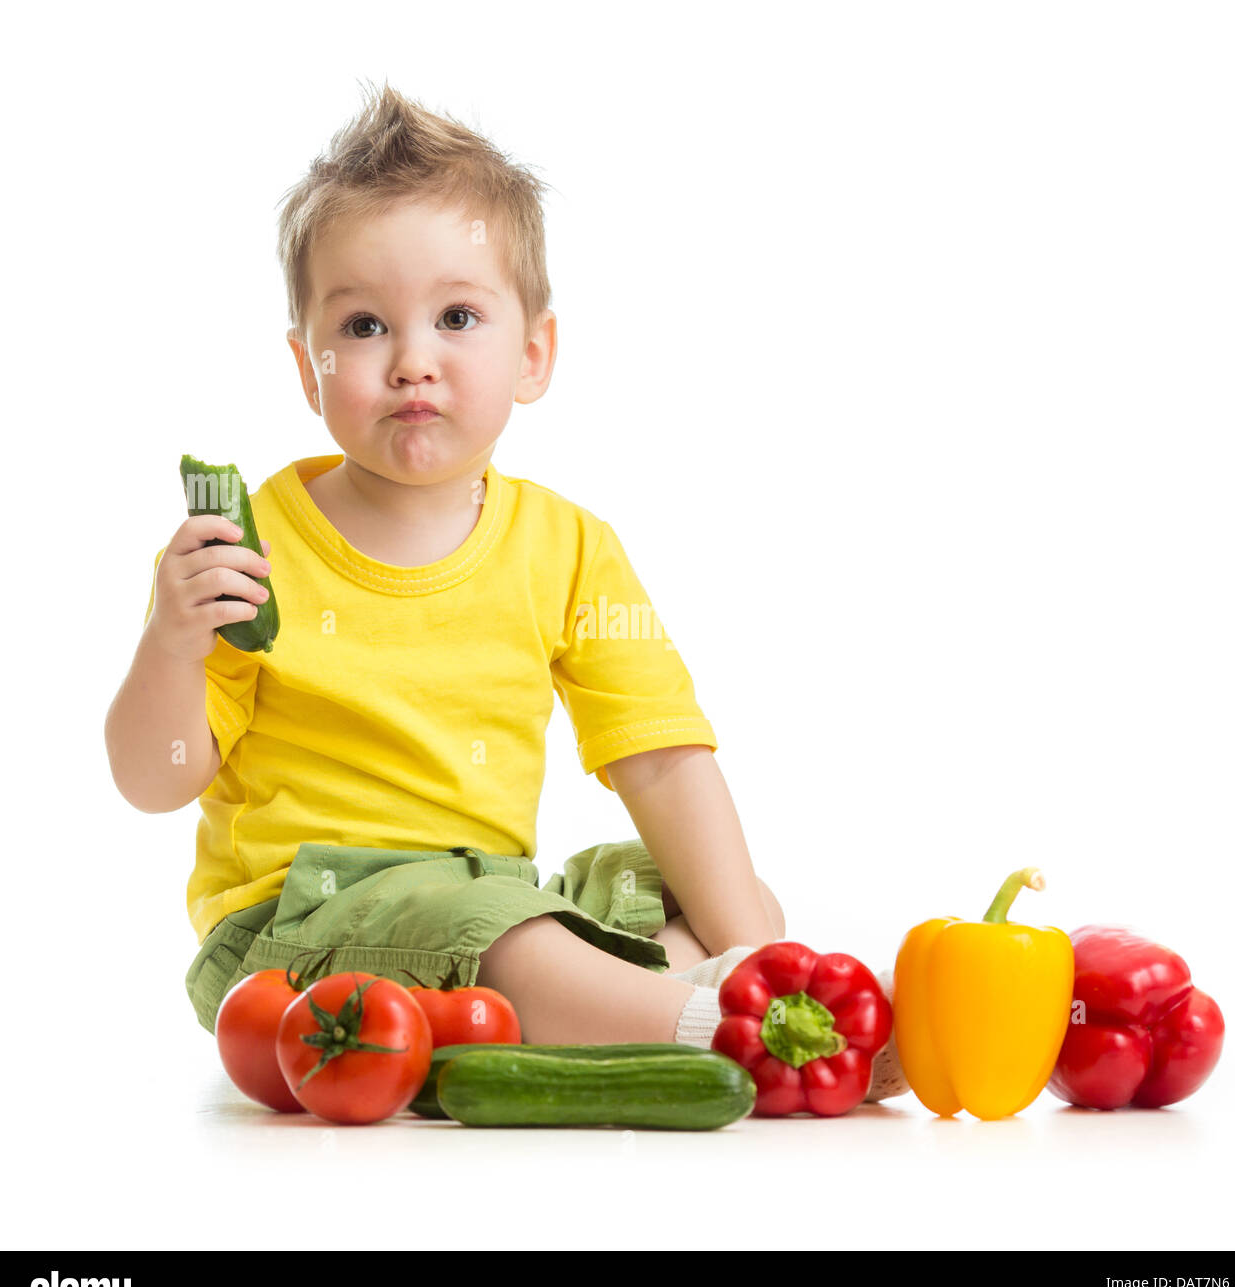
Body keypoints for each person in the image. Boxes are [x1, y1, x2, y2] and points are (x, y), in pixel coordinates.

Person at [104, 79, 906, 1098]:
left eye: (455, 317)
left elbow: (662, 762)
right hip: (294, 931)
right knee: (489, 931)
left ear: (532, 354)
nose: (411, 362)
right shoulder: (245, 551)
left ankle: (730, 994)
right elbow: (153, 778)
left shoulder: (568, 547)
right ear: (307, 371)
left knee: (680, 879)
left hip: (490, 900)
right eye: (361, 327)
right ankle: (734, 1033)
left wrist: (753, 945)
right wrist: (172, 644)